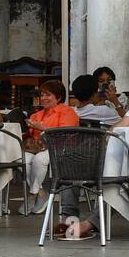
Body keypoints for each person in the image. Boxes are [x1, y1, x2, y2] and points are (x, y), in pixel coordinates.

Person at [22, 80, 80, 212]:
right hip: (38, 148)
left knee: (40, 159)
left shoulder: (67, 112)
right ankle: (41, 192)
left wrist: (41, 127)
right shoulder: (36, 114)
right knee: (23, 159)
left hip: (61, 148)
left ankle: (33, 194)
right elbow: (31, 136)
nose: (43, 98)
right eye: (42, 95)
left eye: (47, 95)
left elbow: (66, 134)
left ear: (58, 97)